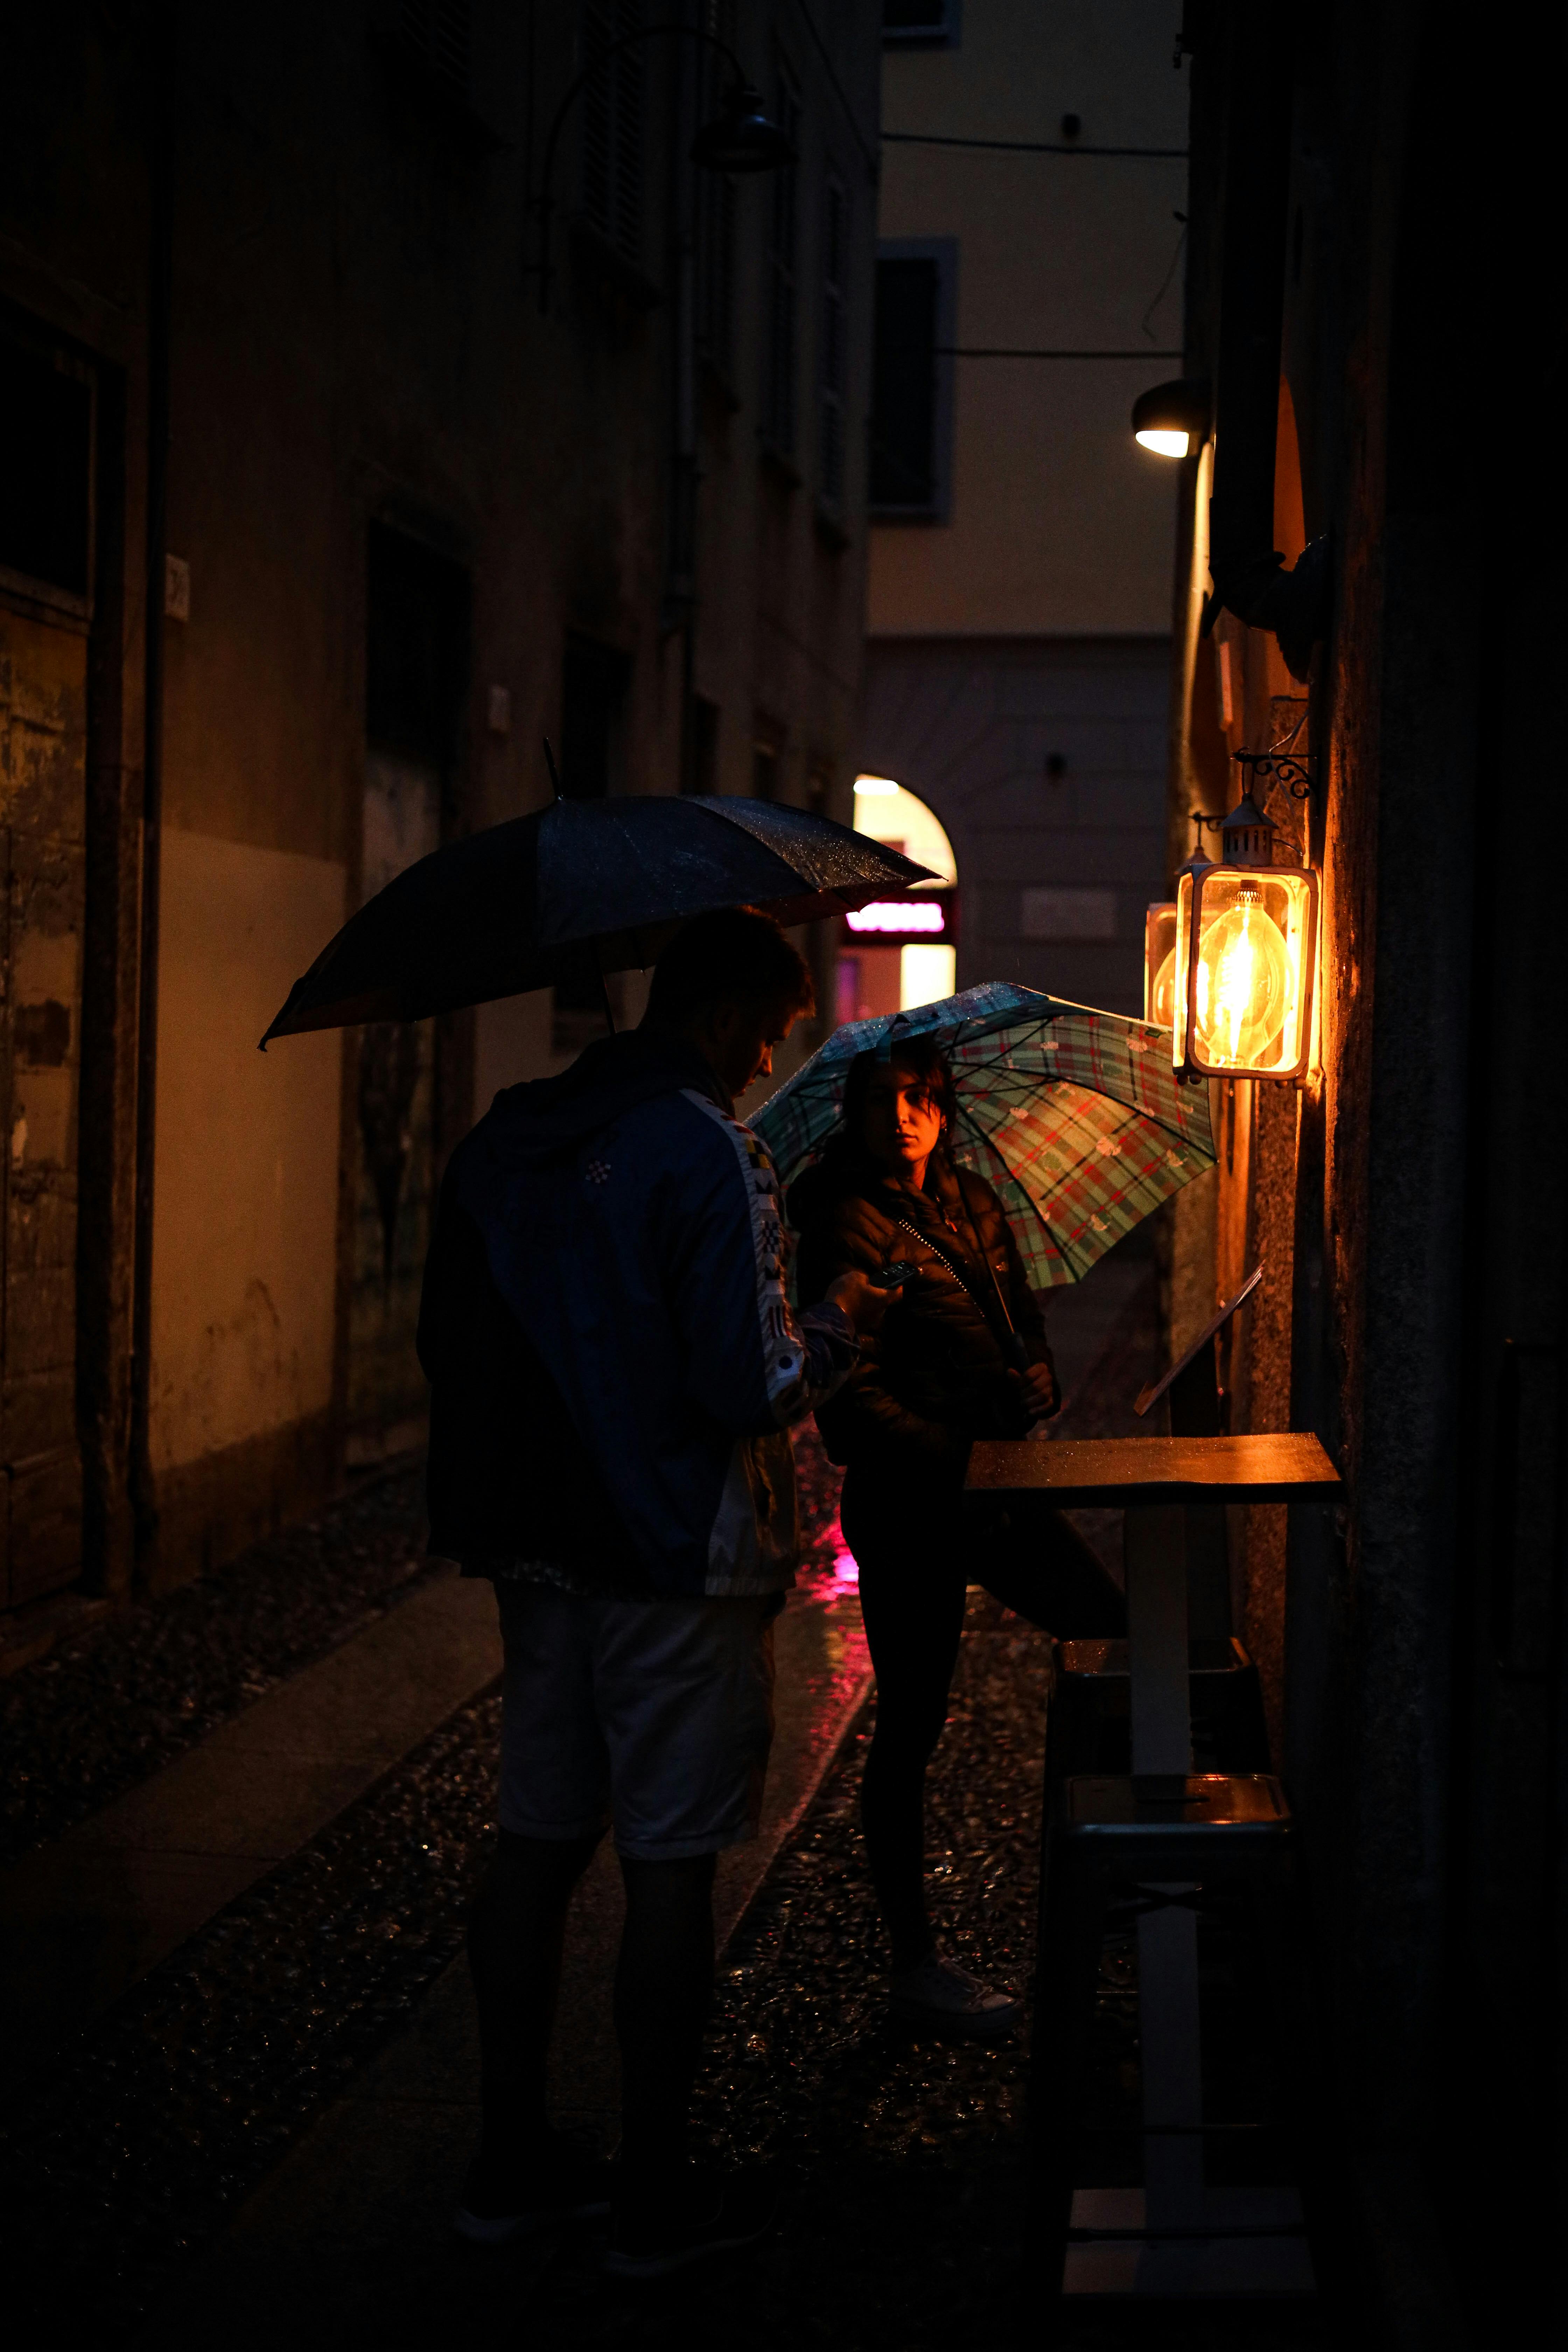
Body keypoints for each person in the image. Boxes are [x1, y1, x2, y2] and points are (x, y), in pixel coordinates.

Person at [416, 906, 886, 2277]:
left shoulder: (512, 1130)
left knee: (538, 1839)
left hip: (535, 1542)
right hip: (674, 1557)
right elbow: (747, 1382)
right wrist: (848, 1317)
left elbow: (452, 1338)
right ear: (720, 1009)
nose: (764, 1059)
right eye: (767, 1028)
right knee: (669, 1863)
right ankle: (657, 2191)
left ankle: (507, 2164)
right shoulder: (704, 1146)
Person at [791, 1034, 1125, 2039]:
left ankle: (1094, 1881)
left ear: (946, 1106)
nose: (905, 1118)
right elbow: (848, 1410)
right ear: (854, 1113)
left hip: (998, 1489)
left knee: (1111, 1633)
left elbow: (1021, 1324)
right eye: (887, 1100)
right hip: (910, 1506)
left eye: (923, 1099)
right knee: (911, 1727)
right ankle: (915, 1959)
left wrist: (1039, 1377)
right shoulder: (838, 1223)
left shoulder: (974, 1203)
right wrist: (949, 1451)